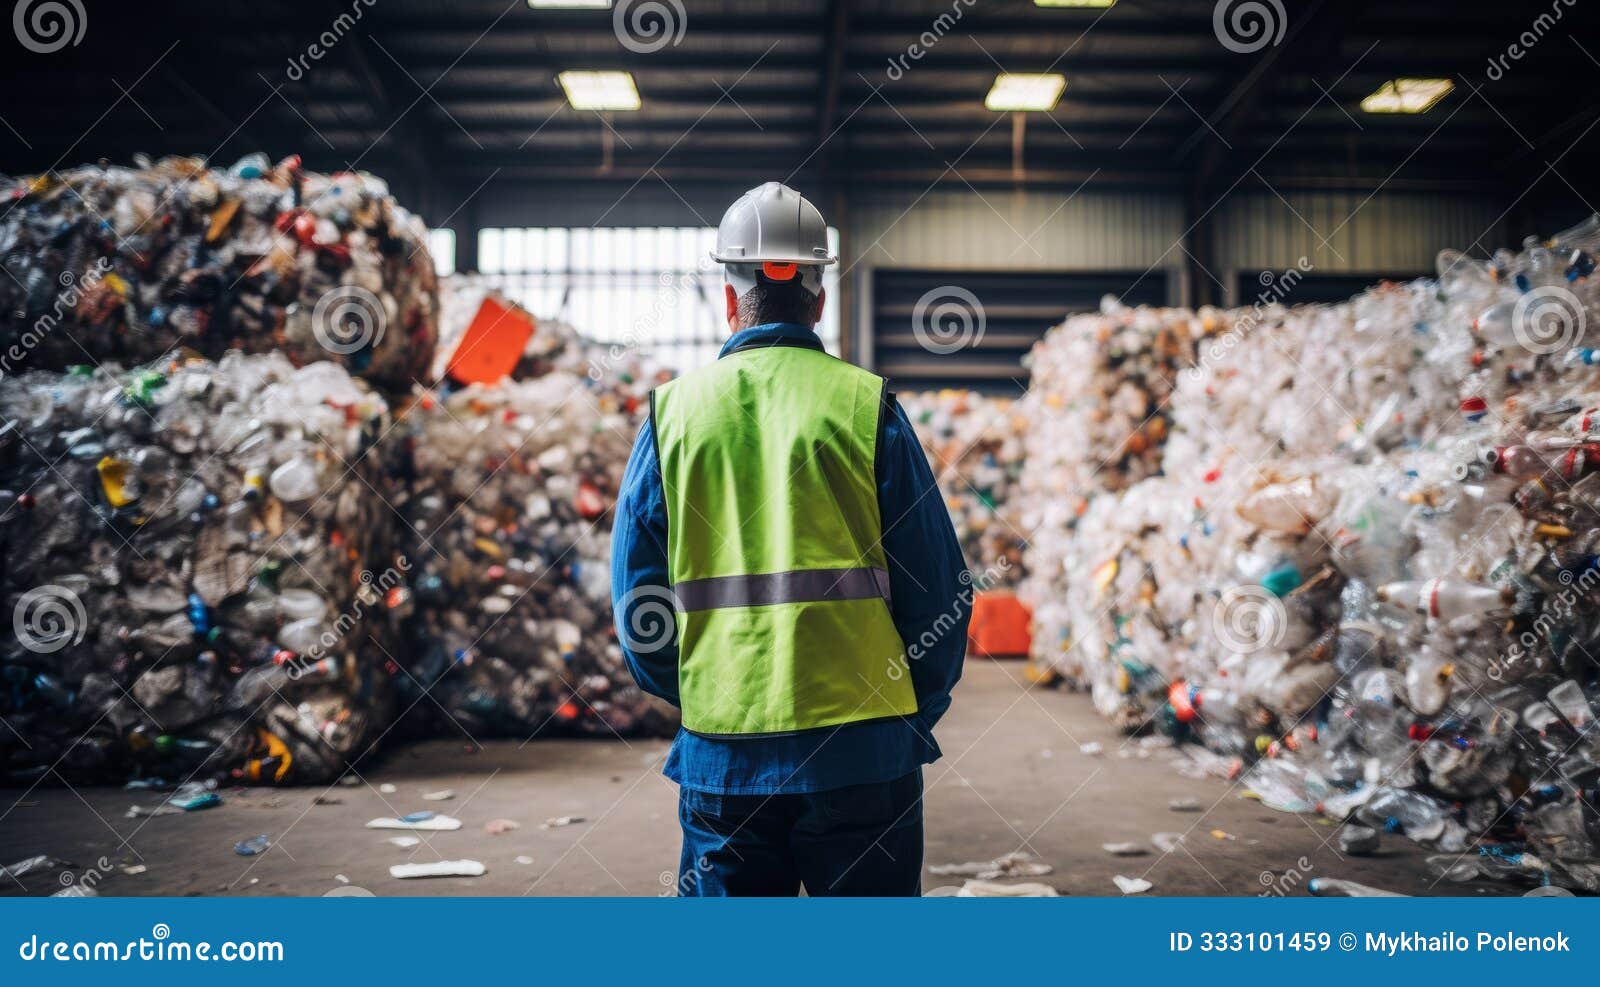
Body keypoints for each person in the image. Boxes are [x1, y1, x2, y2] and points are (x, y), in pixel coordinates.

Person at [611, 182, 968, 897]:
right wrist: (907, 712)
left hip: (725, 759)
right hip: (866, 752)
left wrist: (697, 696)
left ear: (728, 295)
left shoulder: (674, 415)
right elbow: (939, 592)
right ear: (820, 297)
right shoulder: (868, 408)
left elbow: (637, 598)